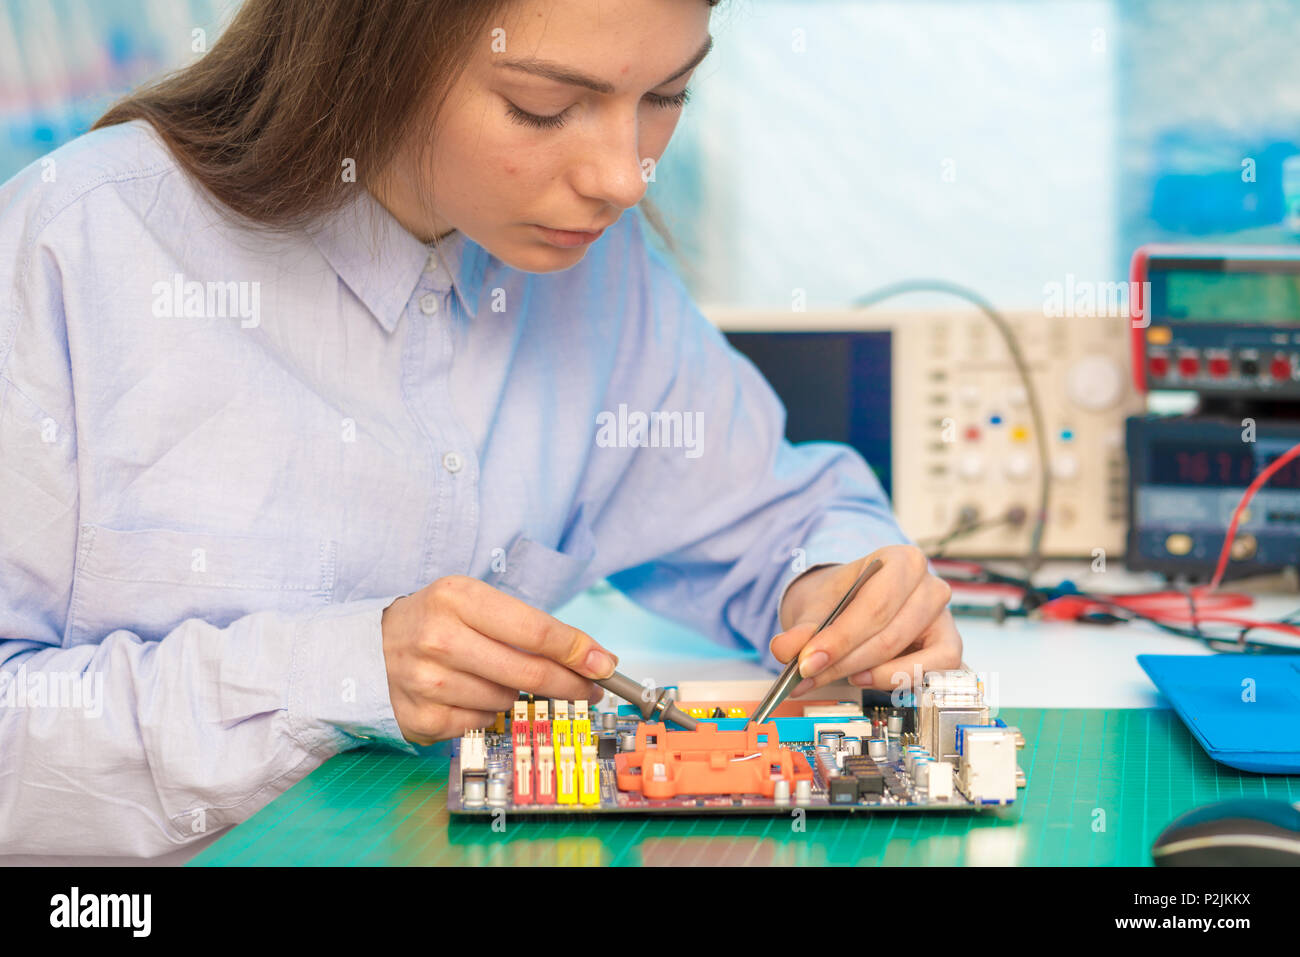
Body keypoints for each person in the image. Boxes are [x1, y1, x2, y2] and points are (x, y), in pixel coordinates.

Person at [0, 0, 959, 857]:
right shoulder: (74, 246)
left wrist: (842, 588)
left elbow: (779, 514)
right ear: (367, 50)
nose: (625, 178)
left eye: (668, 94)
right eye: (544, 107)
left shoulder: (599, 280)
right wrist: (345, 671)